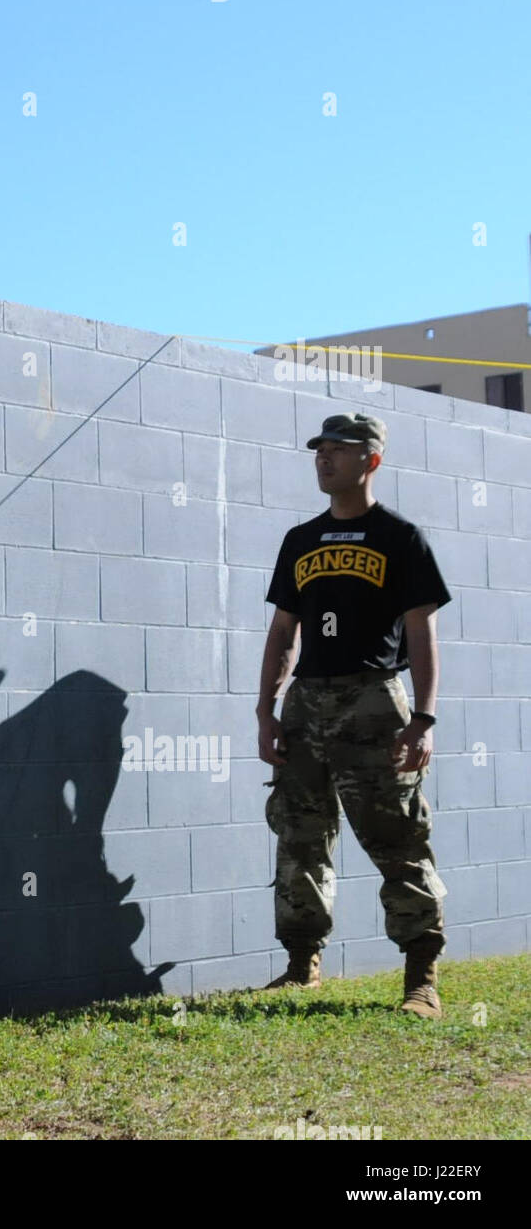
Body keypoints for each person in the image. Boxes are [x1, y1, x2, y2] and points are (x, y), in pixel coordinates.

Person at [256, 413, 451, 1019]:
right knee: (300, 834)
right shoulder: (300, 540)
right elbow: (283, 630)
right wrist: (266, 710)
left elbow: (422, 629)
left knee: (397, 835)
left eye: (338, 450)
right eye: (319, 449)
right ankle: (301, 963)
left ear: (371, 460)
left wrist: (423, 718)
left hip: (374, 698)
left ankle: (421, 978)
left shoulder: (401, 537)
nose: (324, 459)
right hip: (307, 702)